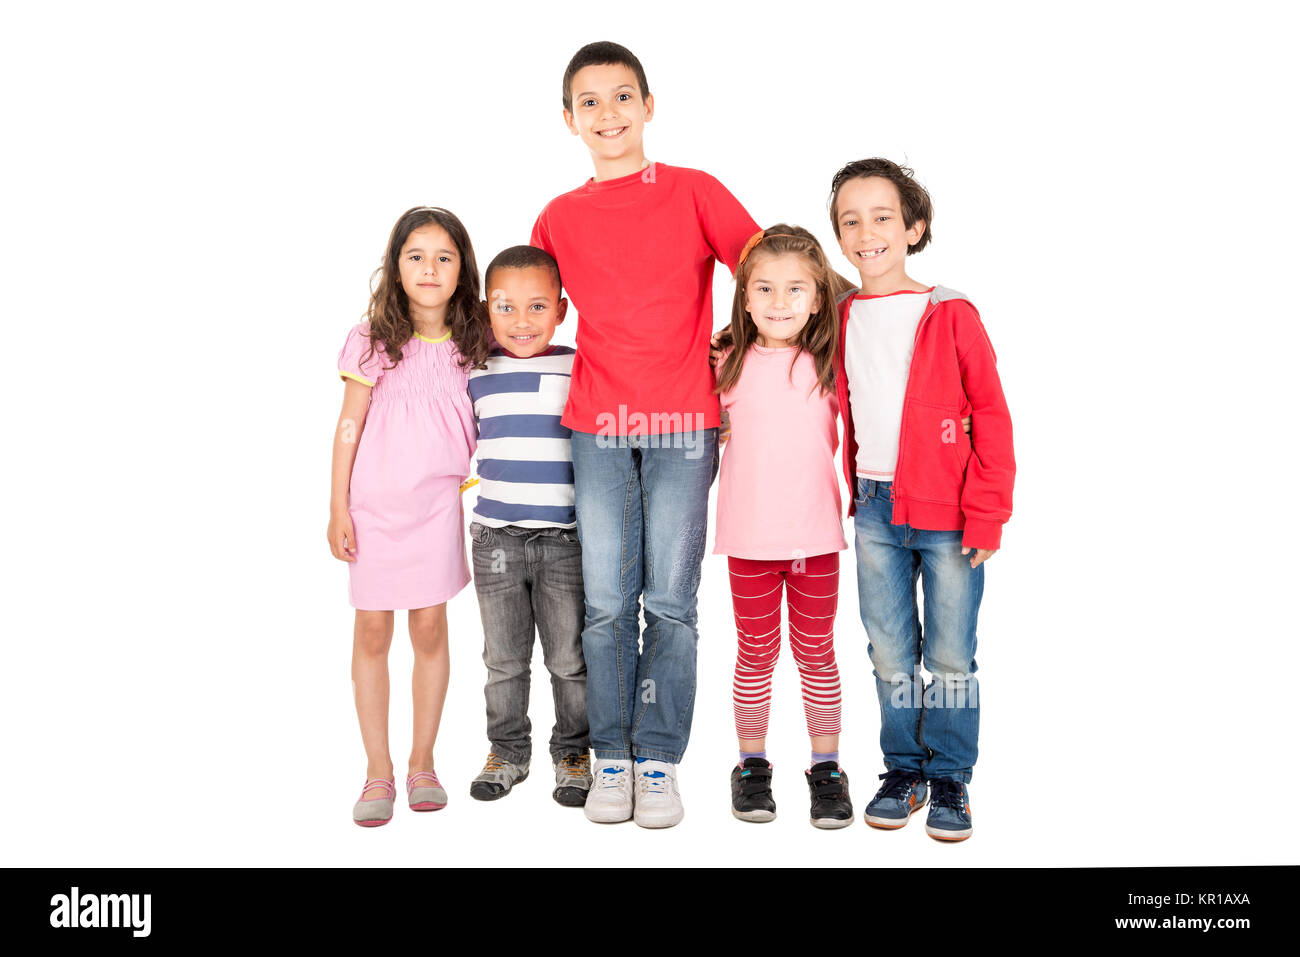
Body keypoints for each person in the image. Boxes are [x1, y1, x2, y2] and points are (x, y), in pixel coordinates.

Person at [529, 41, 760, 828]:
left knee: (669, 599)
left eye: (622, 96)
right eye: (589, 102)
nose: (608, 114)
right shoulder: (558, 216)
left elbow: (768, 272)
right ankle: (611, 758)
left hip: (684, 424)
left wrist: (734, 343)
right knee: (604, 603)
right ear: (568, 120)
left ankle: (657, 756)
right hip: (596, 424)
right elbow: (526, 317)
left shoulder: (695, 192)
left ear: (649, 106)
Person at [829, 159, 1015, 841]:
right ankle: (903, 767)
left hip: (950, 511)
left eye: (882, 217)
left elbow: (991, 416)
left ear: (914, 227)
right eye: (850, 220)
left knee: (950, 656)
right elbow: (781, 332)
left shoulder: (951, 312)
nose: (866, 232)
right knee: (888, 649)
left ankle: (951, 775)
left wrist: (989, 510)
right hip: (874, 508)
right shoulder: (842, 313)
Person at [328, 206, 489, 827]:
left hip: (436, 511)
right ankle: (377, 768)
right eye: (415, 256)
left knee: (429, 628)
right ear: (396, 267)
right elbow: (348, 427)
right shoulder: (371, 342)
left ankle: (423, 760)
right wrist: (337, 503)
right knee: (373, 632)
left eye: (444, 257)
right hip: (373, 509)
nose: (429, 268)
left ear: (461, 270)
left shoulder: (475, 342)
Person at [712, 225, 854, 829]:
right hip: (749, 540)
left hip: (816, 538)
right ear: (744, 296)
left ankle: (826, 768)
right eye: (765, 288)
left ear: (820, 297)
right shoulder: (723, 360)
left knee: (817, 653)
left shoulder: (831, 360)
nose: (778, 302)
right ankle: (751, 765)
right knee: (755, 654)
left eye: (797, 289)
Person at [465, 245, 592, 808]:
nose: (522, 321)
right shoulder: (473, 370)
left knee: (568, 658)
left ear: (562, 309)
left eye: (537, 306)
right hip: (495, 539)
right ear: (485, 309)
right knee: (504, 659)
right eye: (506, 307)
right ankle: (508, 750)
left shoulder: (578, 365)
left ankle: (573, 752)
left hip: (564, 539)